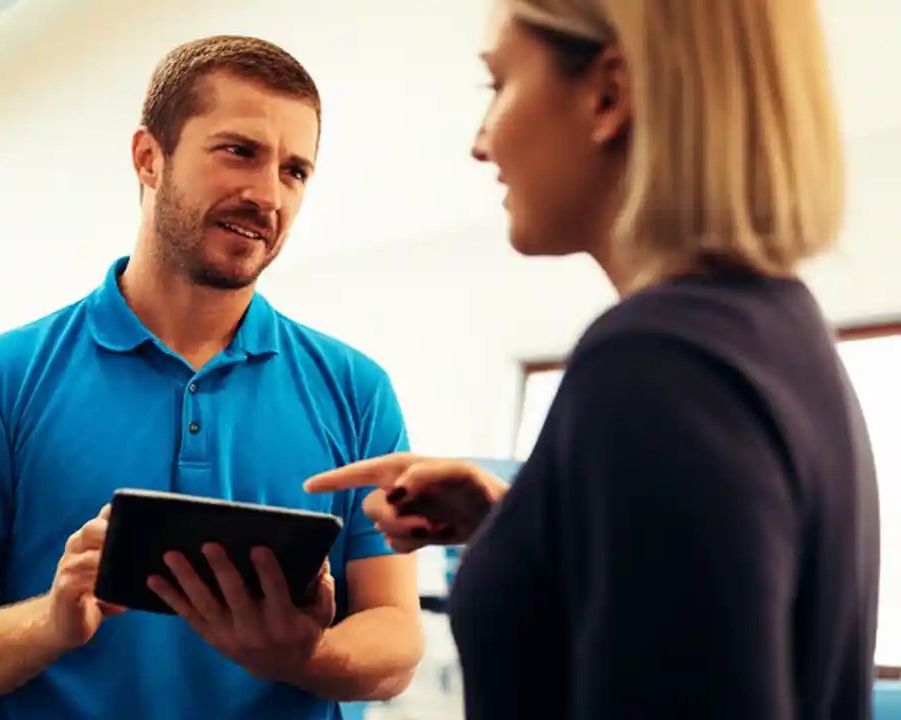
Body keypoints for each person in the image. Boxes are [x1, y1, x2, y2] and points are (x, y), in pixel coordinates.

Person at [305, 2, 881, 718]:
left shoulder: (654, 363)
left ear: (609, 94)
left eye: (499, 85)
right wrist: (523, 528)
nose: (481, 143)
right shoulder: (777, 332)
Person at [0, 35, 423, 719]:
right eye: (239, 151)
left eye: (295, 171)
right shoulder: (0, 380)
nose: (267, 194)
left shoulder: (355, 391)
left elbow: (396, 635)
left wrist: (296, 656)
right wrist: (50, 622)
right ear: (149, 157)